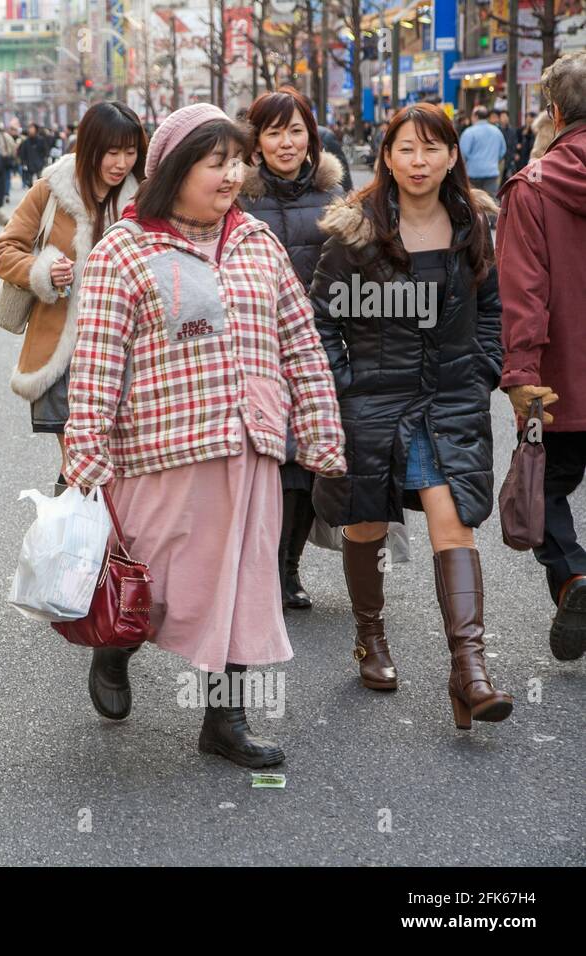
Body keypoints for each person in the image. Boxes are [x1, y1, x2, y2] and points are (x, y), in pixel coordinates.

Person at [65, 104, 346, 767]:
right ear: (172, 172)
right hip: (161, 451)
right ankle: (114, 647)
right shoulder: (125, 250)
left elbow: (300, 342)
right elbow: (98, 362)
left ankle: (225, 720)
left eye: (235, 162)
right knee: (156, 589)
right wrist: (86, 452)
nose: (232, 176)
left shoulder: (255, 241)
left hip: (249, 447)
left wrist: (319, 429)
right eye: (215, 163)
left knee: (246, 583)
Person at [310, 103, 512, 729]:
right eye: (406, 148)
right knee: (366, 524)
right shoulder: (356, 233)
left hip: (449, 399)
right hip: (373, 402)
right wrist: (346, 387)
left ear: (453, 156)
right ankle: (370, 637)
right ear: (387, 158)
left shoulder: (473, 224)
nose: (419, 161)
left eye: (432, 148)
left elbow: (490, 308)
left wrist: (483, 368)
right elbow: (320, 322)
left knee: (454, 524)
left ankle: (469, 669)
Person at [0, 102, 146, 493]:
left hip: (125, 344)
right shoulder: (50, 191)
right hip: (63, 346)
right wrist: (42, 269)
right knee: (78, 459)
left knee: (120, 454)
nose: (122, 162)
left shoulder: (142, 199)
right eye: (112, 152)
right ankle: (75, 542)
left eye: (130, 152)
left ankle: (112, 542)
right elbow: (4, 250)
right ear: (90, 147)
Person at [239, 87, 347, 611]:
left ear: (311, 137)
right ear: (255, 142)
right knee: (266, 460)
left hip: (317, 345)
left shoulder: (335, 198)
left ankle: (287, 570)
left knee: (304, 466)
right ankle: (258, 566)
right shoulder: (236, 196)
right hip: (252, 349)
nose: (287, 142)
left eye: (296, 130)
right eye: (274, 132)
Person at [496, 51, 586, 661]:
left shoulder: (532, 188)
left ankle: (576, 577)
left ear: (553, 112)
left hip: (561, 379)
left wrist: (520, 372)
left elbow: (524, 292)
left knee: (547, 487)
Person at [459, 106, 506, 198]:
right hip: (491, 172)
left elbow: (462, 153)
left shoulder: (469, 132)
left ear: (475, 116)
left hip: (473, 173)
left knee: (474, 202)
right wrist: (494, 160)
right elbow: (502, 151)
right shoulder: (497, 131)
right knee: (491, 203)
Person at [18, 122, 49, 188]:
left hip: (39, 164)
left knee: (40, 182)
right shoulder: (26, 141)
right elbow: (22, 153)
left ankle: (39, 195)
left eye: (32, 128)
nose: (30, 130)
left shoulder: (41, 140)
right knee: (29, 183)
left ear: (36, 130)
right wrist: (23, 162)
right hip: (29, 164)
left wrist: (43, 161)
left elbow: (45, 151)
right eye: (29, 128)